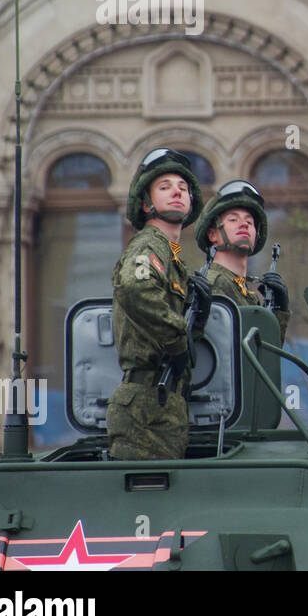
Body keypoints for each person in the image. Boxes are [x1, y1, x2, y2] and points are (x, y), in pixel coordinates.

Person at [107, 148, 208, 460]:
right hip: (145, 404)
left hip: (162, 404)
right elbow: (136, 288)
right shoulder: (149, 245)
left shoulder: (171, 254)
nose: (177, 191)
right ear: (145, 203)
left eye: (183, 188)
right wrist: (178, 338)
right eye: (164, 187)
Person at [194, 179, 290, 342]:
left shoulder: (242, 290)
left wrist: (279, 310)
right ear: (212, 235)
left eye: (249, 221)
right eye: (233, 219)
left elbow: (263, 354)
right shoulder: (212, 285)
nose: (244, 224)